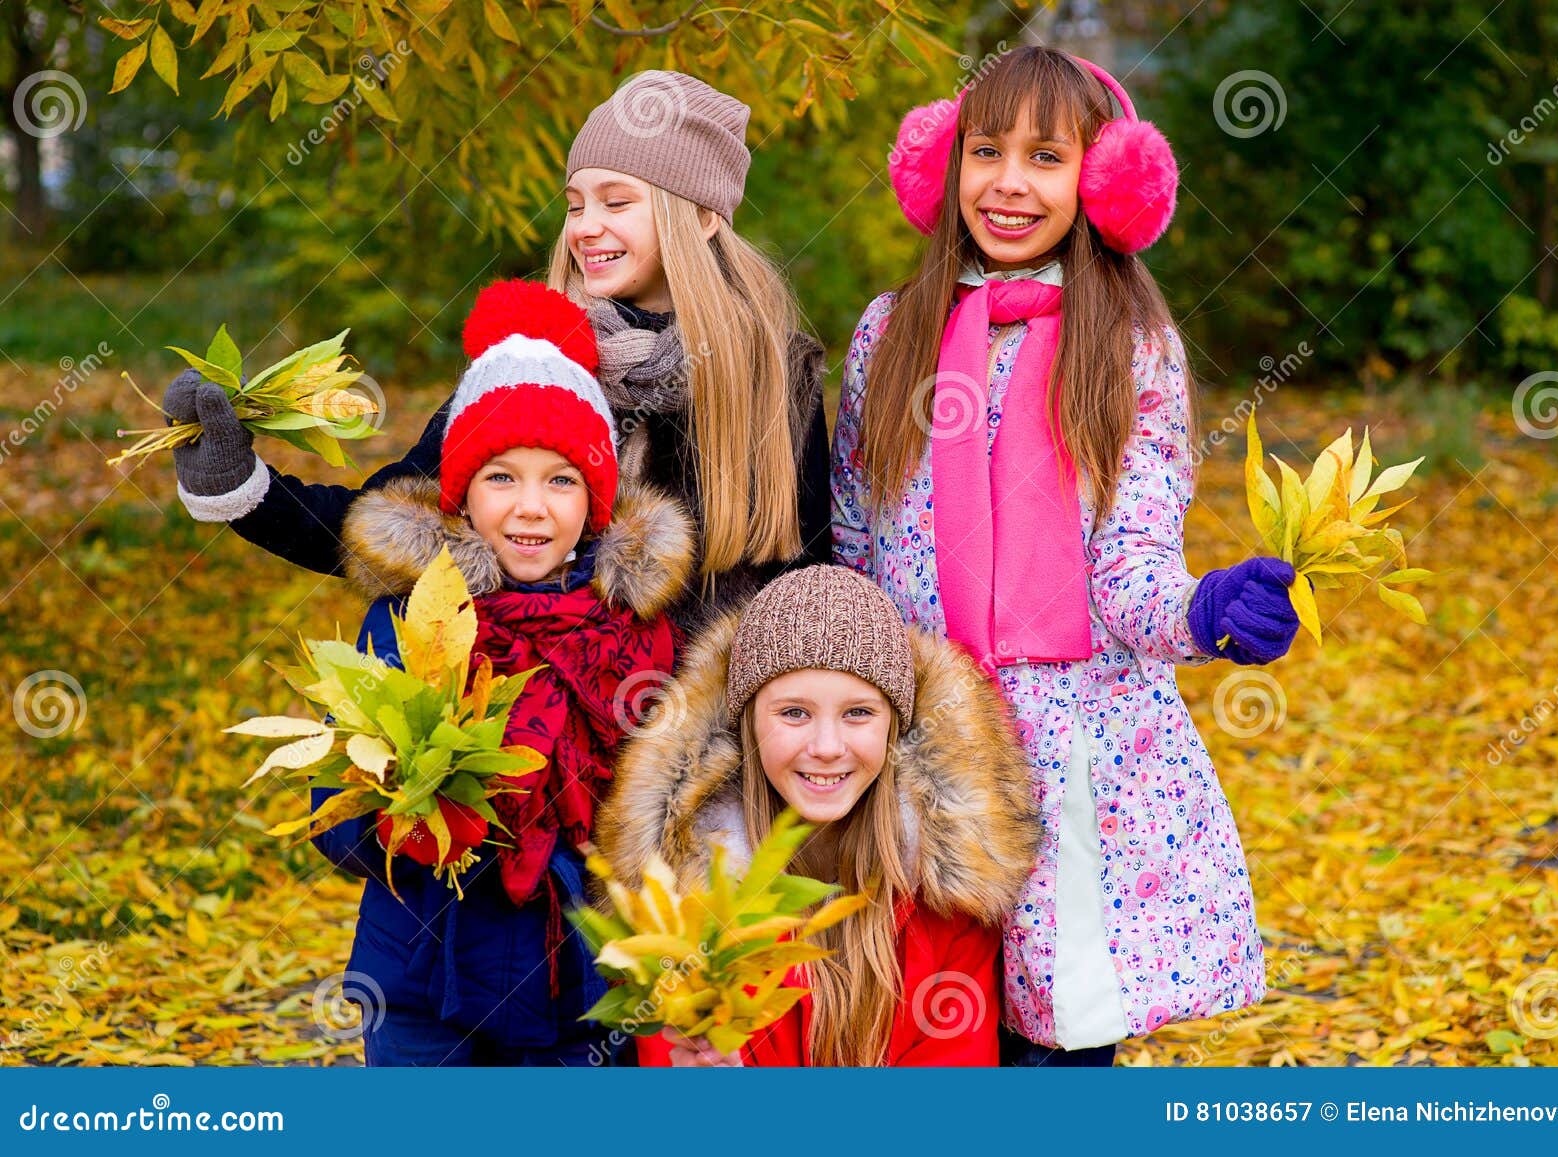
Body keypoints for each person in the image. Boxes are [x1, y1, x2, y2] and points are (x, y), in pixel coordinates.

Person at [831, 46, 1301, 1066]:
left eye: (1044, 157)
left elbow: (1130, 564)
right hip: (920, 749)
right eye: (984, 150)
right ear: (942, 169)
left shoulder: (1129, 340)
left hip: (1072, 752)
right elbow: (854, 543)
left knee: (1054, 1047)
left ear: (1101, 180)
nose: (1007, 182)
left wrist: (1206, 608)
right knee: (923, 1032)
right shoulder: (890, 332)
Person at [163, 71, 828, 637]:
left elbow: (811, 577)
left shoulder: (774, 372)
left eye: (616, 202)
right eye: (574, 205)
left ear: (704, 217)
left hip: (699, 758)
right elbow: (394, 520)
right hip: (532, 736)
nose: (584, 228)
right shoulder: (536, 359)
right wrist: (244, 490)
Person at [310, 281, 695, 1065]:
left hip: (586, 991)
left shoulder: (636, 635)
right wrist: (414, 813)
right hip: (425, 982)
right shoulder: (415, 621)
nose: (530, 508)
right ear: (461, 493)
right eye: (501, 477)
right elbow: (337, 811)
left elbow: (673, 803)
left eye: (560, 479)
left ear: (595, 499)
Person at [595, 565, 1040, 1066]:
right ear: (746, 726)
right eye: (793, 713)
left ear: (895, 726)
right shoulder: (688, 907)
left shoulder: (947, 902)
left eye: (858, 713)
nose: (827, 747)